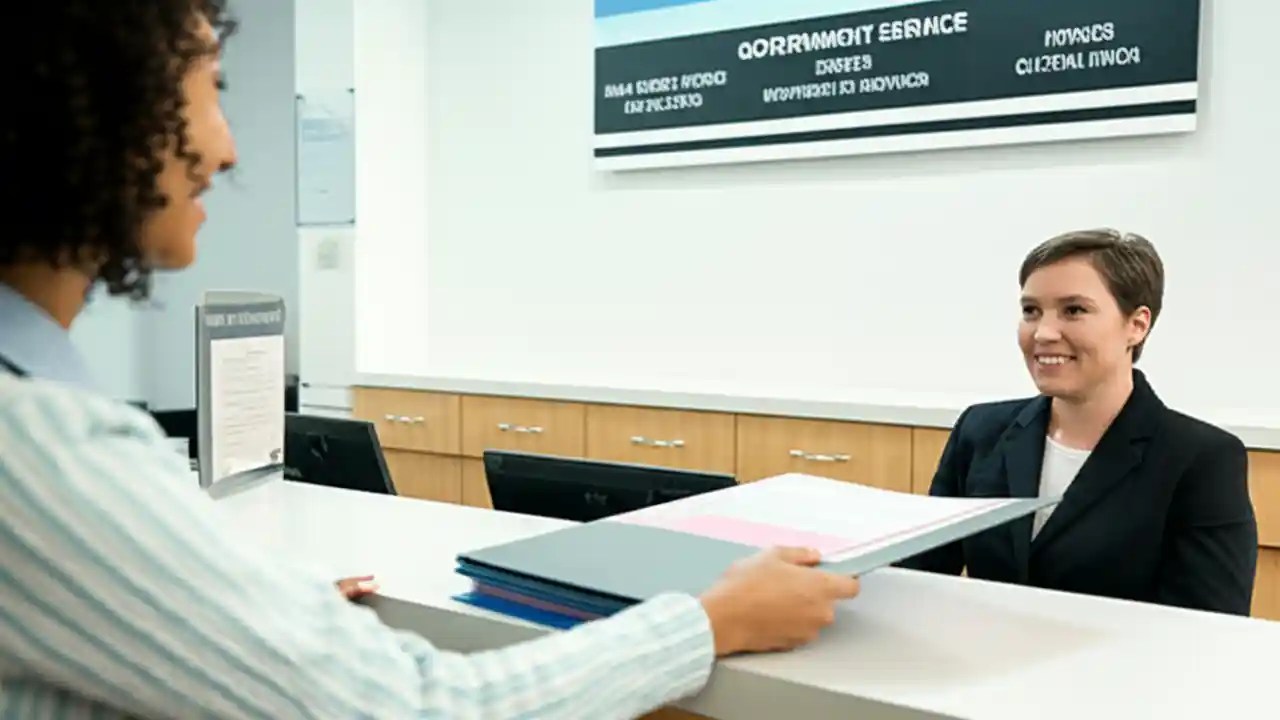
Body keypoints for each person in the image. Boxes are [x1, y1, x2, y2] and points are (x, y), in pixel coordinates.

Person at [0, 3, 860, 717]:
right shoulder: (39, 444)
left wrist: (245, 628)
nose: (226, 150)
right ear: (83, 106)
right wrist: (708, 624)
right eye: (205, 90)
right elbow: (420, 710)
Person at [900, 229, 1258, 615]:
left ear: (1136, 325)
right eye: (1031, 311)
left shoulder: (1200, 458)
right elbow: (922, 574)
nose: (1043, 332)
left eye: (1074, 310)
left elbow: (1210, 624)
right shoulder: (980, 430)